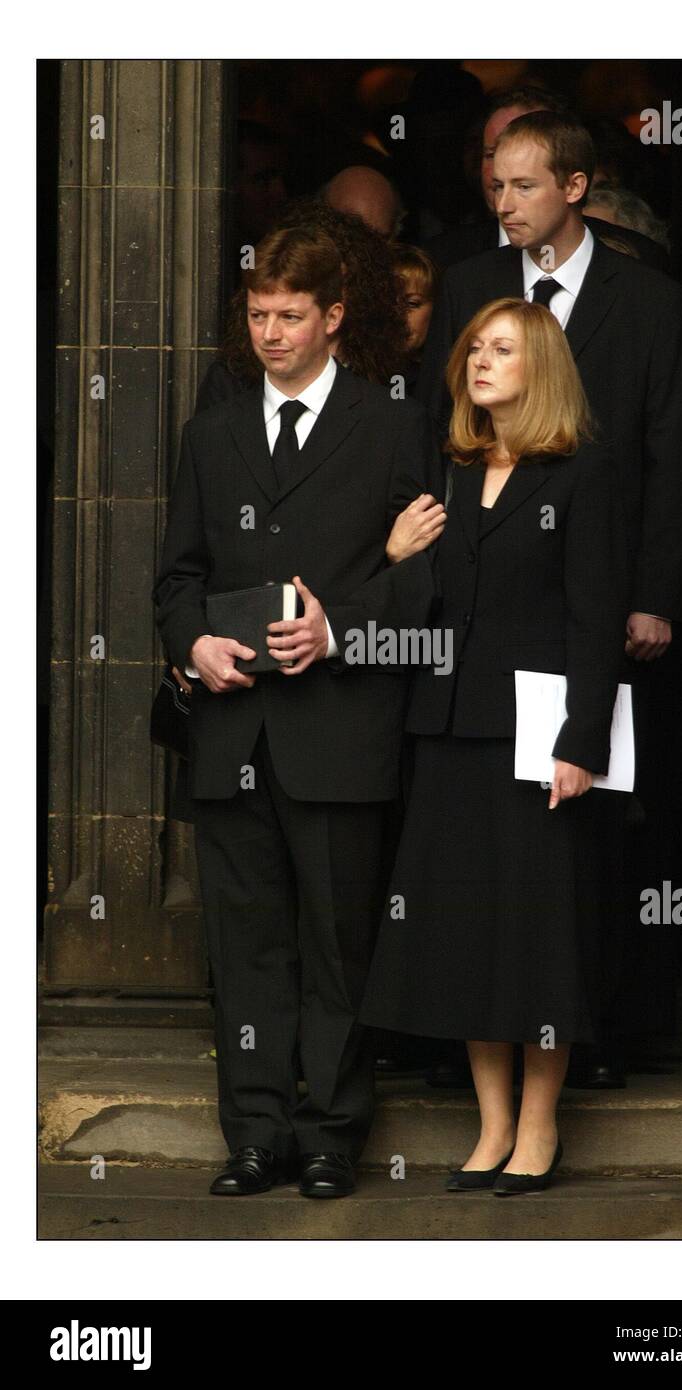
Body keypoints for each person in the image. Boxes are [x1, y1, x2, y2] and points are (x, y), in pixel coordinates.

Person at [152, 226, 441, 1199]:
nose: (270, 333)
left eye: (288, 316)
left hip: (340, 726)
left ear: (333, 317)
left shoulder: (392, 426)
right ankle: (255, 1134)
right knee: (247, 945)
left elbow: (427, 580)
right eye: (257, 315)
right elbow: (177, 577)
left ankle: (331, 1136)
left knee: (336, 942)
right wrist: (189, 640)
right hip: (232, 731)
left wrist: (339, 629)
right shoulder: (212, 432)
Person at [417, 110, 682, 1089]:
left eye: (523, 185)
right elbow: (438, 441)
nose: (504, 203)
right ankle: (488, 1053)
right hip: (498, 616)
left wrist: (654, 594)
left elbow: (672, 455)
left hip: (605, 603)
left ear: (574, 187)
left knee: (588, 833)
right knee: (489, 859)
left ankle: (605, 1034)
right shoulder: (470, 288)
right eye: (495, 185)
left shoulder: (648, 300)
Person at [359, 297, 626, 1193]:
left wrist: (582, 740)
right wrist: (394, 557)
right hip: (449, 728)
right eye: (475, 346)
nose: (480, 360)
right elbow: (423, 595)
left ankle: (541, 1129)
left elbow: (595, 619)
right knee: (465, 933)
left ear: (539, 367)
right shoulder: (451, 463)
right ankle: (492, 1128)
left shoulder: (584, 473)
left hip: (538, 739)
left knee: (536, 937)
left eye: (501, 348)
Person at [424, 82, 669, 274]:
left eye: (527, 156)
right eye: (492, 154)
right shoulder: (442, 263)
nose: (505, 169)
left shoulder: (639, 260)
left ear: (574, 182)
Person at [195, 200, 410, 414]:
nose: (270, 333)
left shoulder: (387, 379)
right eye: (259, 314)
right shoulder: (230, 381)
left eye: (326, 277)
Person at [391, 243, 440, 394]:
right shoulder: (350, 374)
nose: (398, 314)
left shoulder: (446, 379)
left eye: (412, 304)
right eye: (389, 302)